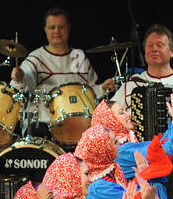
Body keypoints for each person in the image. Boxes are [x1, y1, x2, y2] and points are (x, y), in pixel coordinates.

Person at [13, 7, 111, 136]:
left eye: (61, 27)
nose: (57, 31)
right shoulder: (36, 58)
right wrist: (19, 78)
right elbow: (22, 85)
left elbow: (90, 92)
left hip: (78, 122)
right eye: (52, 27)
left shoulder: (78, 56)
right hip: (44, 123)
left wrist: (103, 88)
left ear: (69, 28)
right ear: (45, 30)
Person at [109, 23, 173, 107]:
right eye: (150, 45)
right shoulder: (132, 84)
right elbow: (106, 113)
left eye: (160, 45)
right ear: (145, 51)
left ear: (172, 52)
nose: (154, 49)